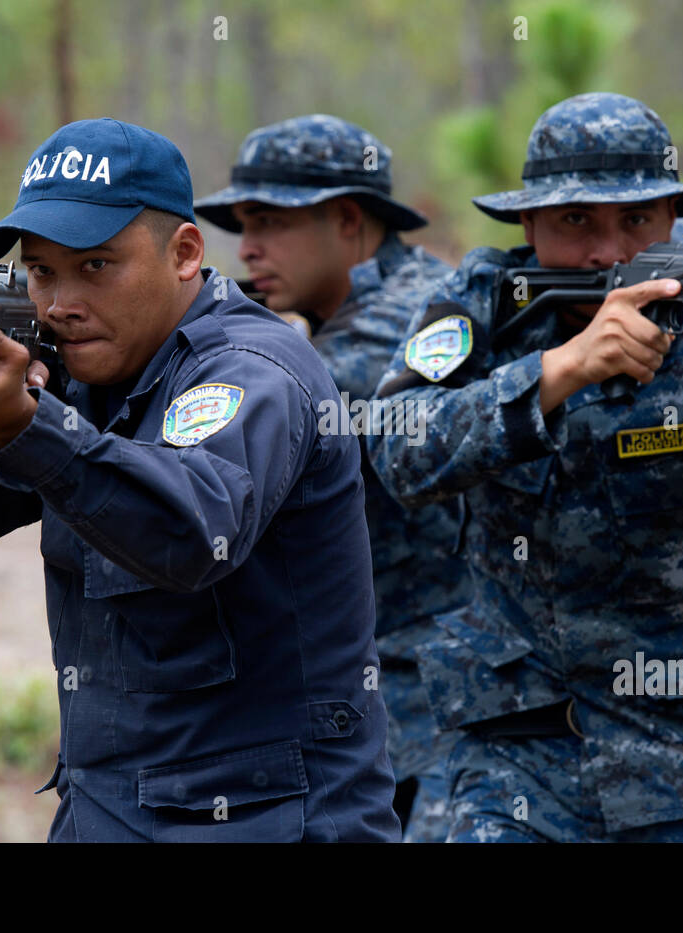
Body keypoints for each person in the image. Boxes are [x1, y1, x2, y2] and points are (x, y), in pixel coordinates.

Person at [0, 117, 400, 842]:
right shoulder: (75, 366)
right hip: (106, 808)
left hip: (272, 817)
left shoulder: (255, 369)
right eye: (42, 271)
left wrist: (28, 429)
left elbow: (190, 534)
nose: (61, 303)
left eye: (96, 265)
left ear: (185, 253)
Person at [368, 92, 683, 843]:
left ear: (671, 220)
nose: (607, 253)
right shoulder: (482, 305)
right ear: (527, 225)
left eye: (635, 221)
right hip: (518, 751)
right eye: (576, 222)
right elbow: (398, 451)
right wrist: (556, 372)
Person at [194, 114, 469, 842]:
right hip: (411, 698)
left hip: (445, 707)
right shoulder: (398, 301)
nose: (247, 246)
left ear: (348, 220)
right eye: (242, 223)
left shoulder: (386, 336)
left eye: (271, 222)